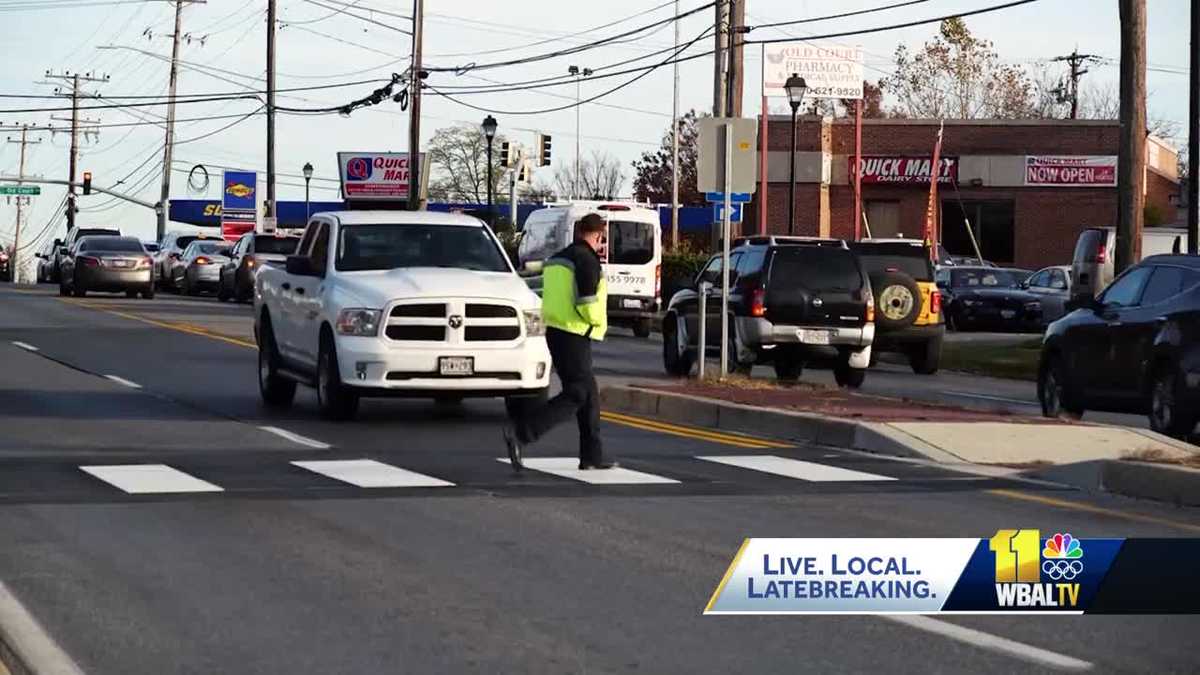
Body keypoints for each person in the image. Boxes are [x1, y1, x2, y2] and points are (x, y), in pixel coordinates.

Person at [503, 213, 616, 471]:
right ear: (599, 235)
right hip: (574, 332)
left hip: (556, 331)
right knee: (578, 393)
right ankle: (522, 433)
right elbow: (587, 301)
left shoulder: (558, 259)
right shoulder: (587, 260)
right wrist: (595, 323)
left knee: (589, 396)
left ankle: (592, 457)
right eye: (602, 238)